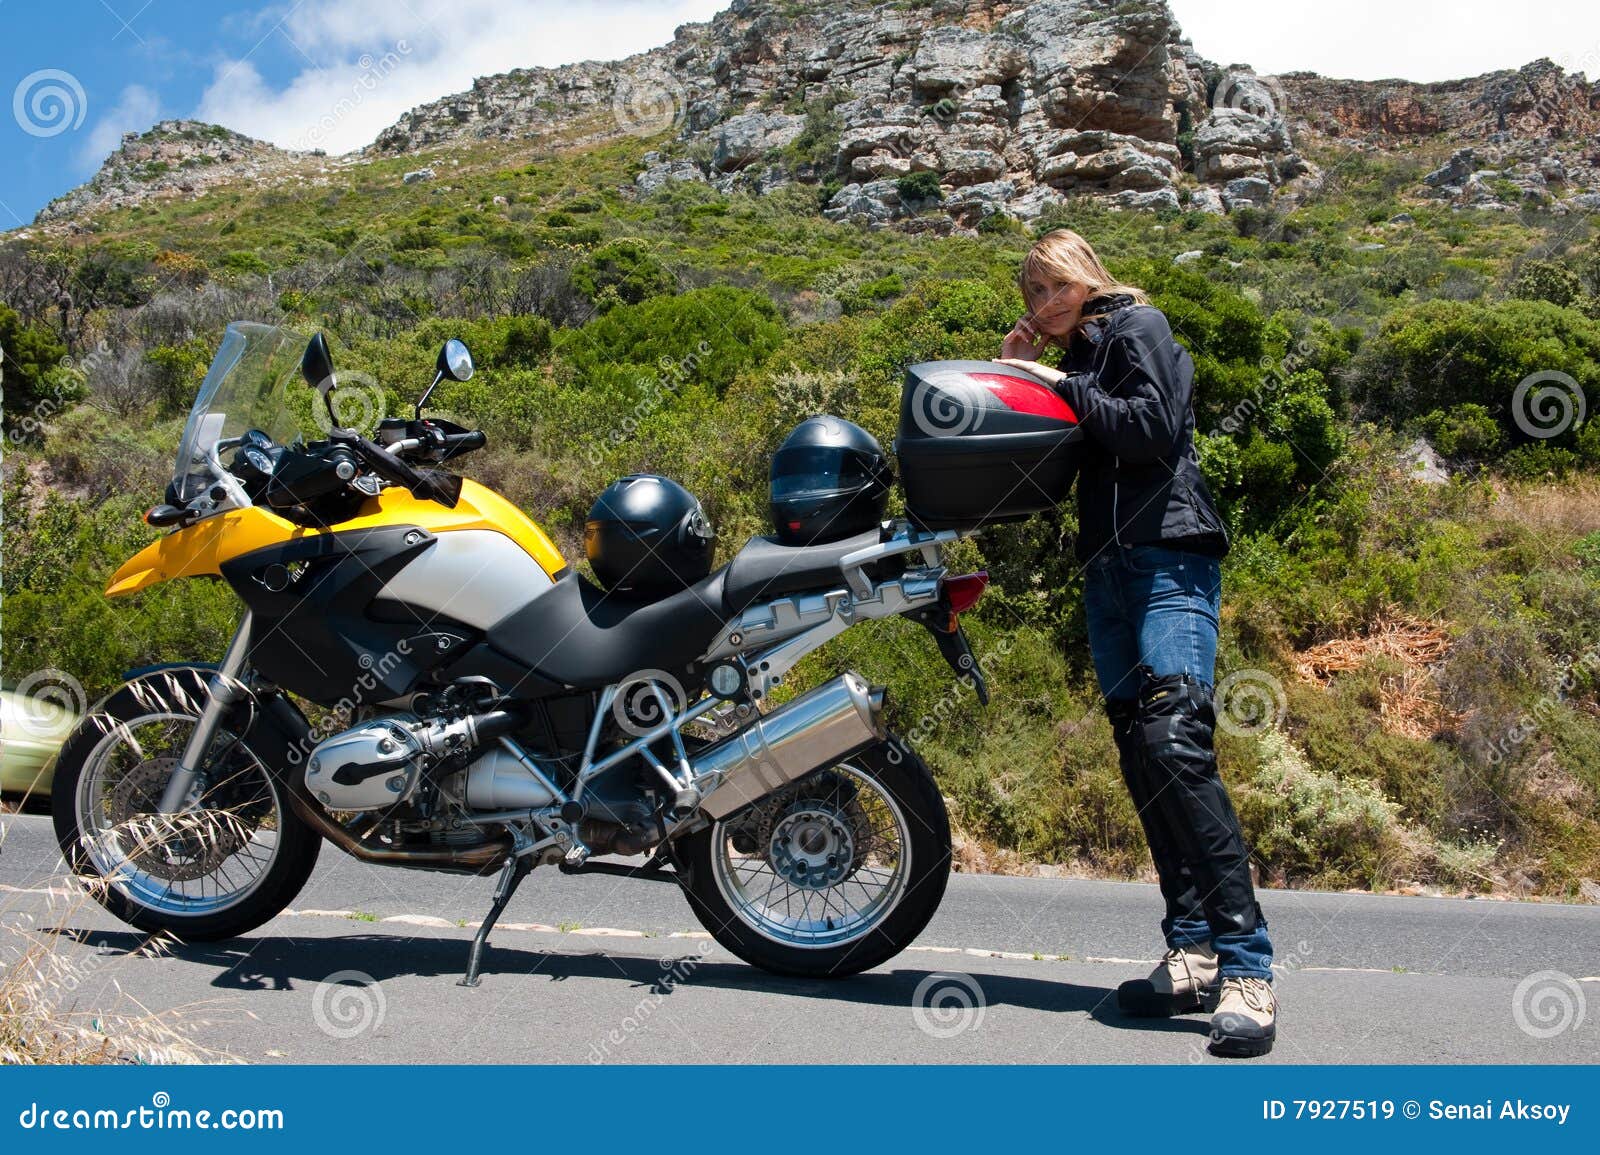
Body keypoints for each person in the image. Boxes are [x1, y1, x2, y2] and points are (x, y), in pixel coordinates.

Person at [995, 228, 1277, 1058]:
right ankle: (1190, 951)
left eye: (1052, 287)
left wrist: (1057, 379)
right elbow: (1047, 459)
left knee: (1177, 742)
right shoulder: (1078, 361)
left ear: (1084, 277)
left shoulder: (1137, 327)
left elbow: (1151, 427)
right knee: (1140, 755)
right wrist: (1019, 374)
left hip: (1169, 558)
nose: (1042, 305)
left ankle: (1247, 966)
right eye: (1031, 295)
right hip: (1107, 570)